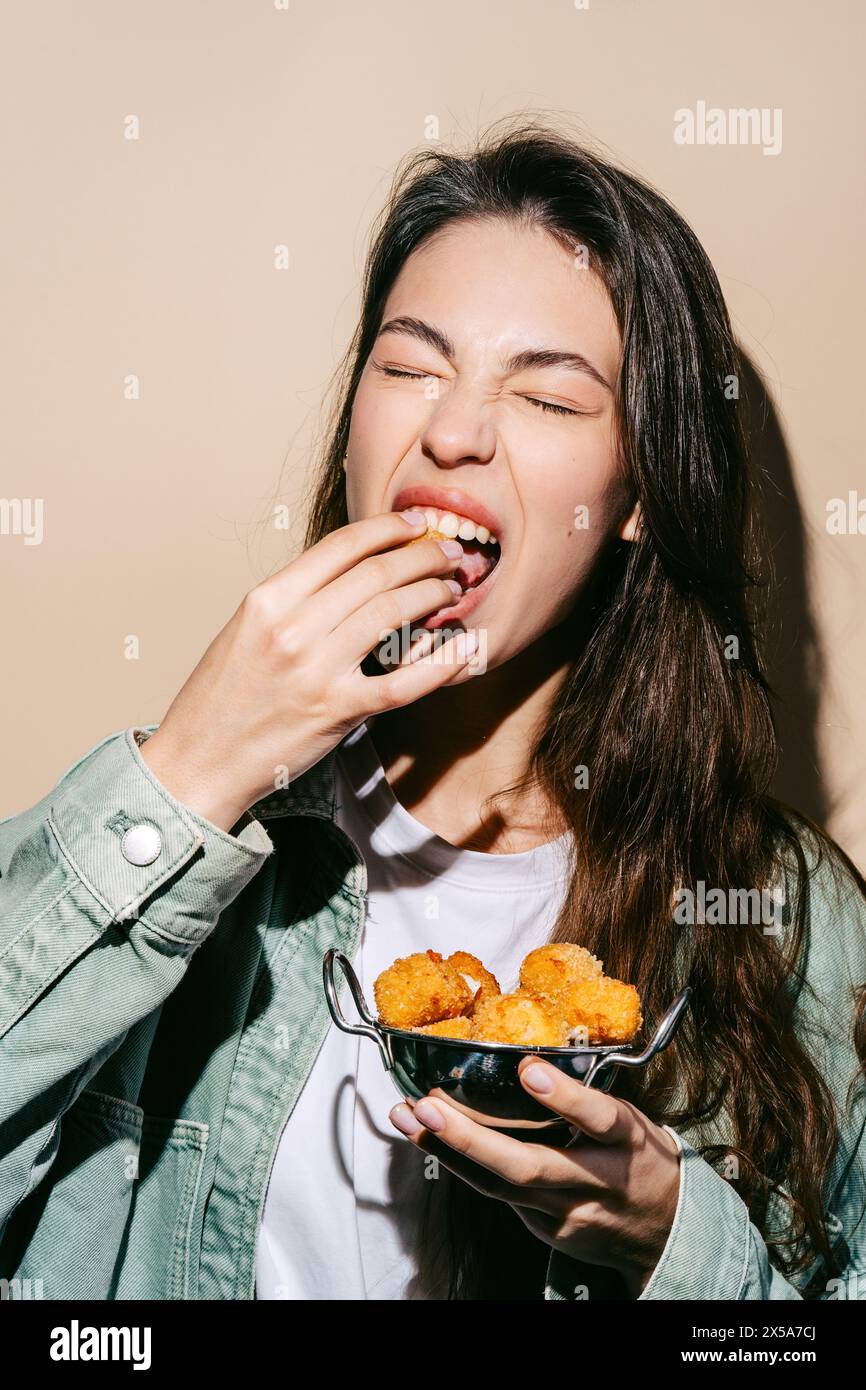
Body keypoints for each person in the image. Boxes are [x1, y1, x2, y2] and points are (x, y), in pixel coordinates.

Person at [1, 118, 864, 1302]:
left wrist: (675, 1245)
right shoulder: (185, 846)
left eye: (549, 400)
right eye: (407, 368)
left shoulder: (785, 921)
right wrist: (187, 773)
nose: (449, 431)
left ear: (636, 499)